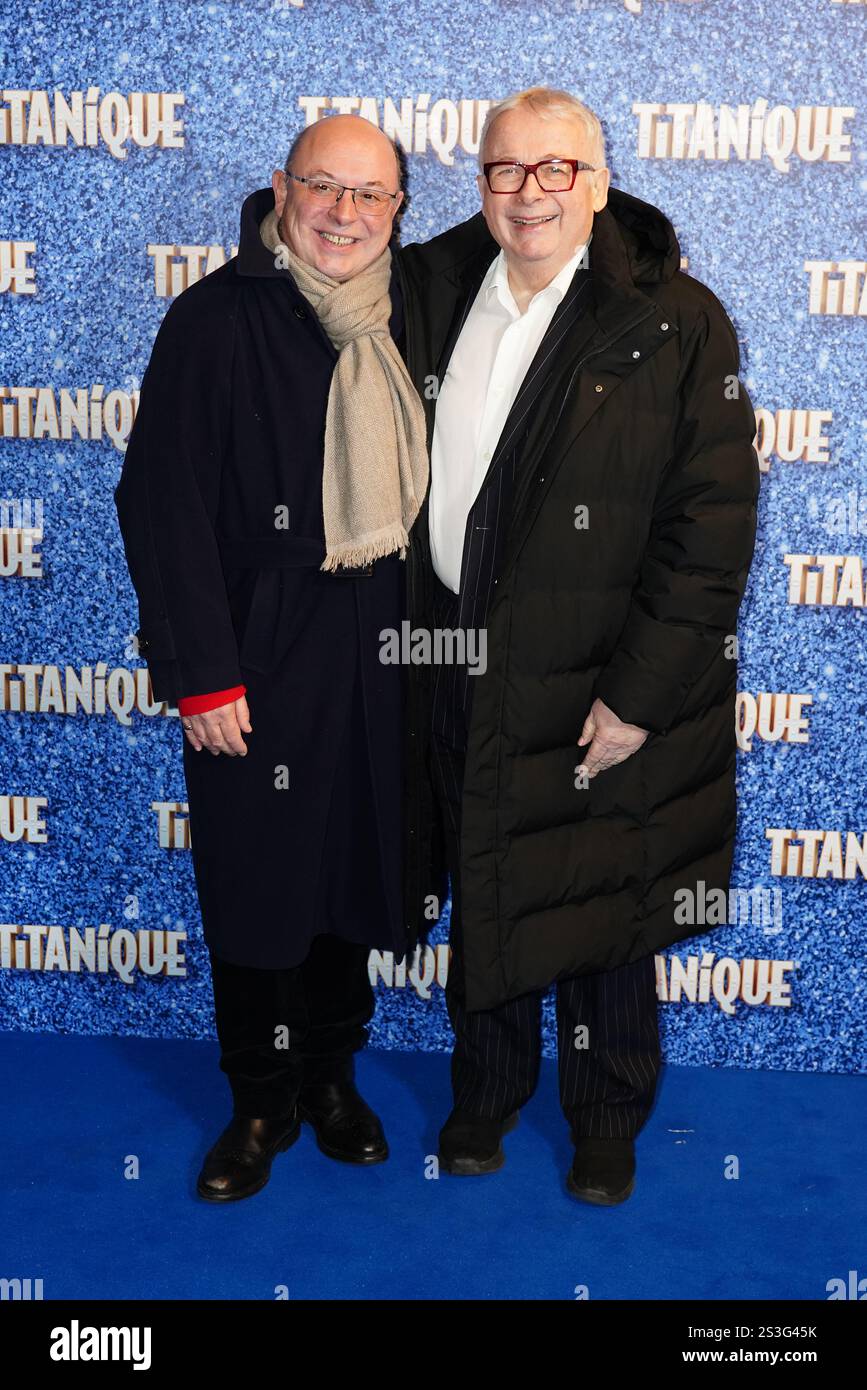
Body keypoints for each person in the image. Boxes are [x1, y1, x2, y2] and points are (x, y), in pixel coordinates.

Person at [397, 86, 760, 1204]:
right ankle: (484, 1095)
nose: (529, 192)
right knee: (490, 876)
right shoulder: (437, 288)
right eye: (506, 170)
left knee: (606, 894)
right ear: (481, 183)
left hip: (605, 672)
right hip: (458, 654)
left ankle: (606, 1118)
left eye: (556, 169)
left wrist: (642, 695)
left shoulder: (675, 319)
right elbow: (304, 262)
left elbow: (711, 530)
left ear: (599, 184)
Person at [114, 114, 429, 1202]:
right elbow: (163, 505)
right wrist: (203, 672)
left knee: (353, 864)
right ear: (280, 190)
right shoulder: (211, 319)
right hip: (256, 642)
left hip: (381, 639)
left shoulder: (408, 314)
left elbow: (540, 245)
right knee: (257, 877)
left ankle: (332, 1077)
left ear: (398, 209)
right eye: (323, 188)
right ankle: (259, 1099)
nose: (346, 214)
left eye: (370, 195)